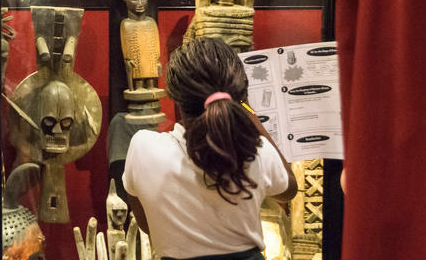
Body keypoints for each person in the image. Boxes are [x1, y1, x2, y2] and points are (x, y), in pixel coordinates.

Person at [122, 38, 297, 260]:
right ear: (239, 95)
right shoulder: (254, 151)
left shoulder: (143, 147)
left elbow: (148, 225)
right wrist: (248, 112)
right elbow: (288, 189)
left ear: (177, 98)